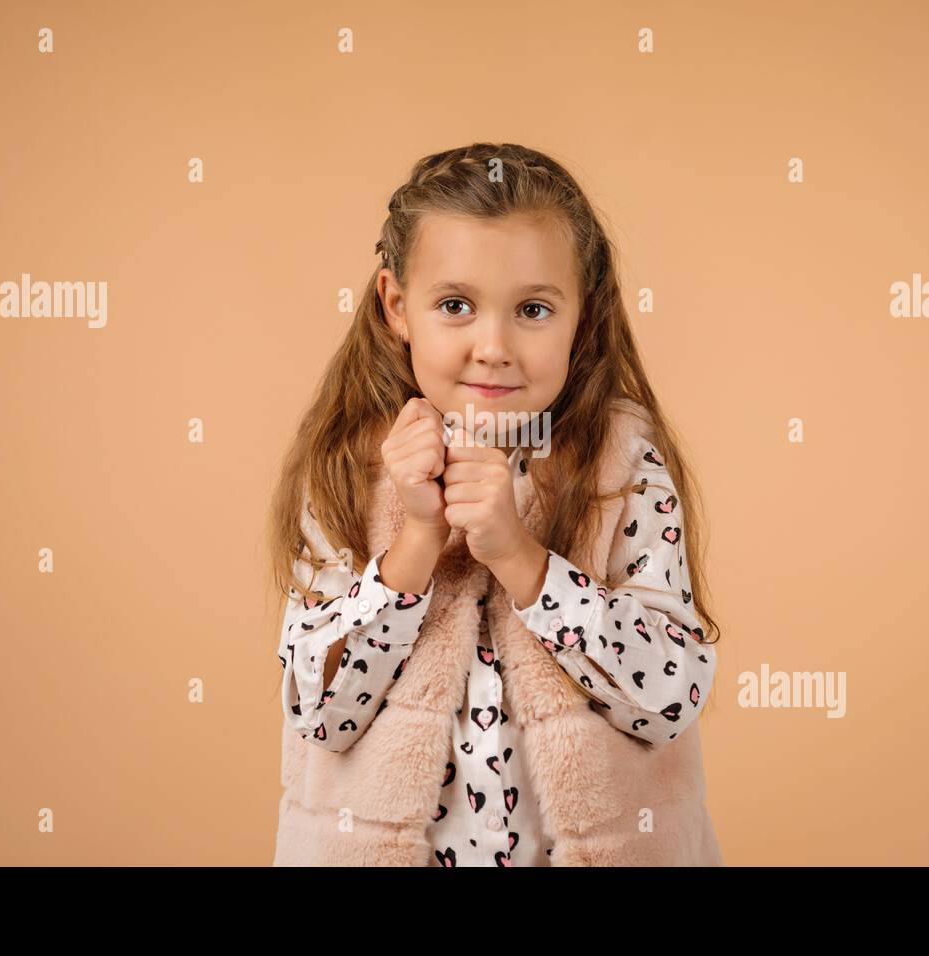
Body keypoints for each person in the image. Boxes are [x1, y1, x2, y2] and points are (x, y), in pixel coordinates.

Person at [268, 142, 725, 866]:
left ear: (583, 314)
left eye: (533, 309)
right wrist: (416, 540)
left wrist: (523, 559)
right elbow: (319, 715)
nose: (494, 346)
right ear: (397, 306)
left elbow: (671, 693)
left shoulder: (623, 462)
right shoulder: (347, 468)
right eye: (455, 305)